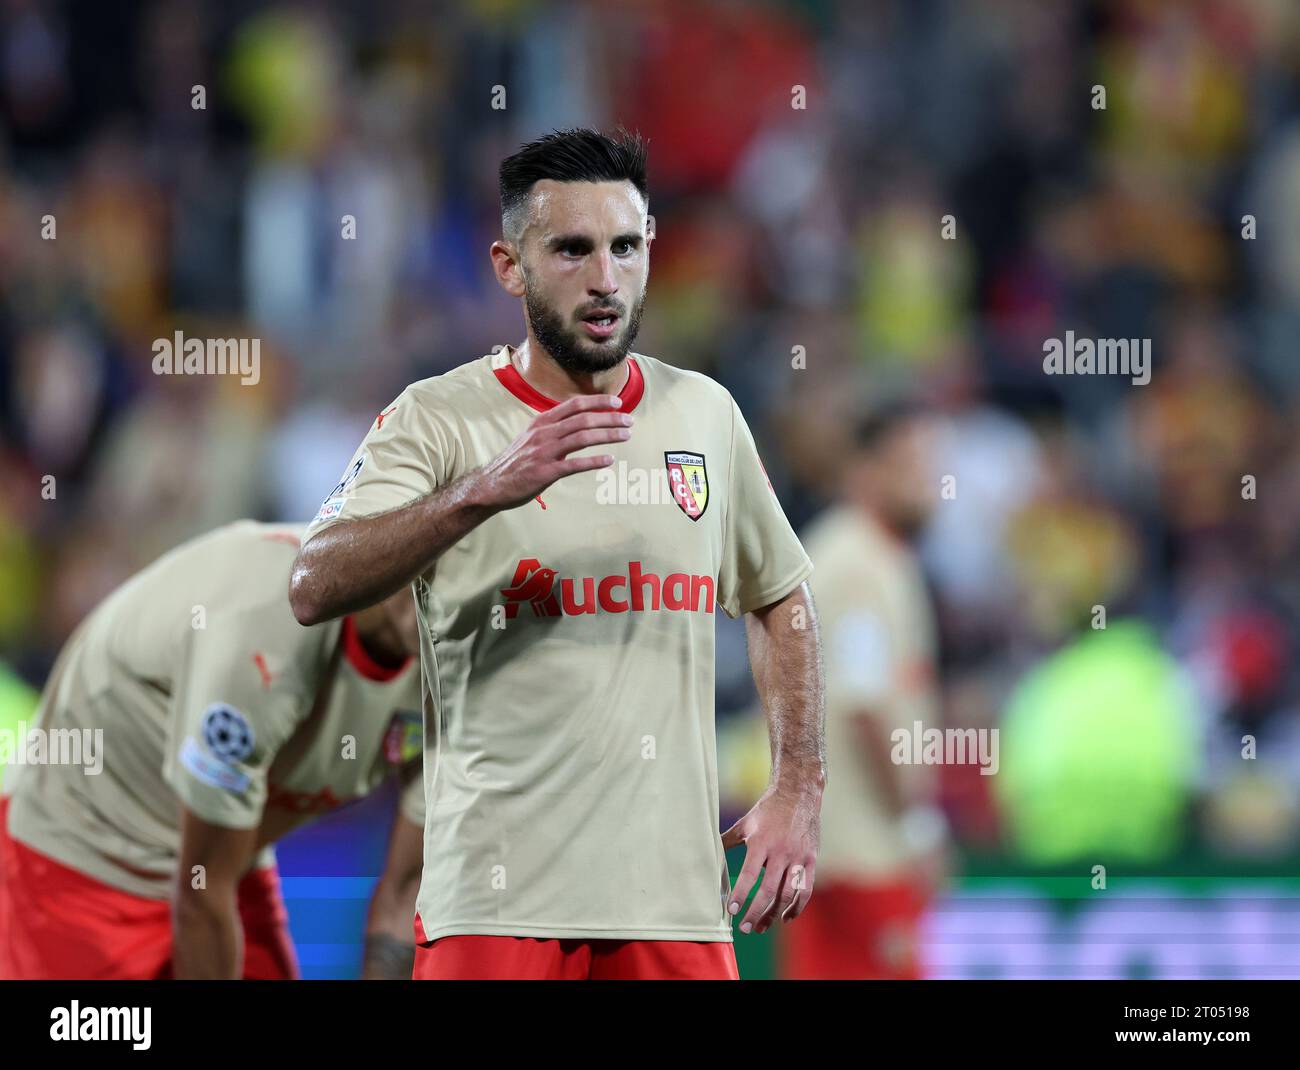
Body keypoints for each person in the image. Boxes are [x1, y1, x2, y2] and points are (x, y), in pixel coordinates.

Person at [289, 127, 826, 981]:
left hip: (675, 907)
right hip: (494, 908)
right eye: (572, 250)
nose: (605, 279)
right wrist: (479, 491)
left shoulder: (706, 416)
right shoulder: (438, 419)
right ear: (511, 267)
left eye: (625, 247)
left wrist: (799, 783)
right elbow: (314, 582)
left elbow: (781, 598)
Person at [0, 520, 425, 980]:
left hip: (221, 857)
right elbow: (201, 894)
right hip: (80, 857)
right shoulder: (263, 628)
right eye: (430, 552)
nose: (441, 585)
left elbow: (407, 889)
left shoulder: (470, 666)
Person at [782, 401, 949, 979]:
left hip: (833, 848)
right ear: (867, 470)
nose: (928, 485)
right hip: (864, 854)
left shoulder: (862, 554)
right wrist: (916, 823)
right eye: (912, 466)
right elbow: (864, 704)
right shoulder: (857, 563)